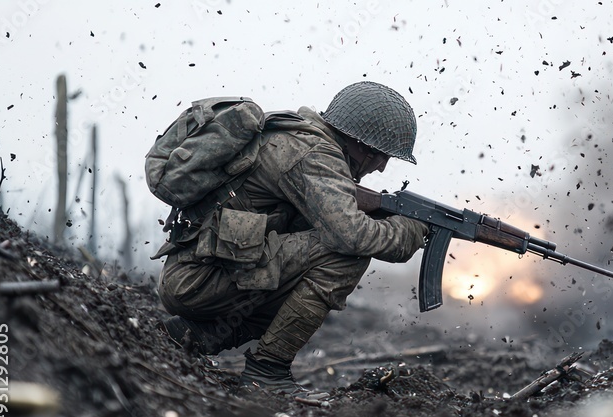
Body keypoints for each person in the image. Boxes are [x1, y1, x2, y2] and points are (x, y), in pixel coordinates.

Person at [154, 82, 430, 394]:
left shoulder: (300, 137)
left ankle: (195, 337)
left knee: (301, 273)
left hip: (197, 275)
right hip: (198, 281)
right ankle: (267, 371)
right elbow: (351, 237)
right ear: (358, 142)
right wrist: (407, 231)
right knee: (343, 256)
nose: (381, 168)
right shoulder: (315, 154)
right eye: (381, 156)